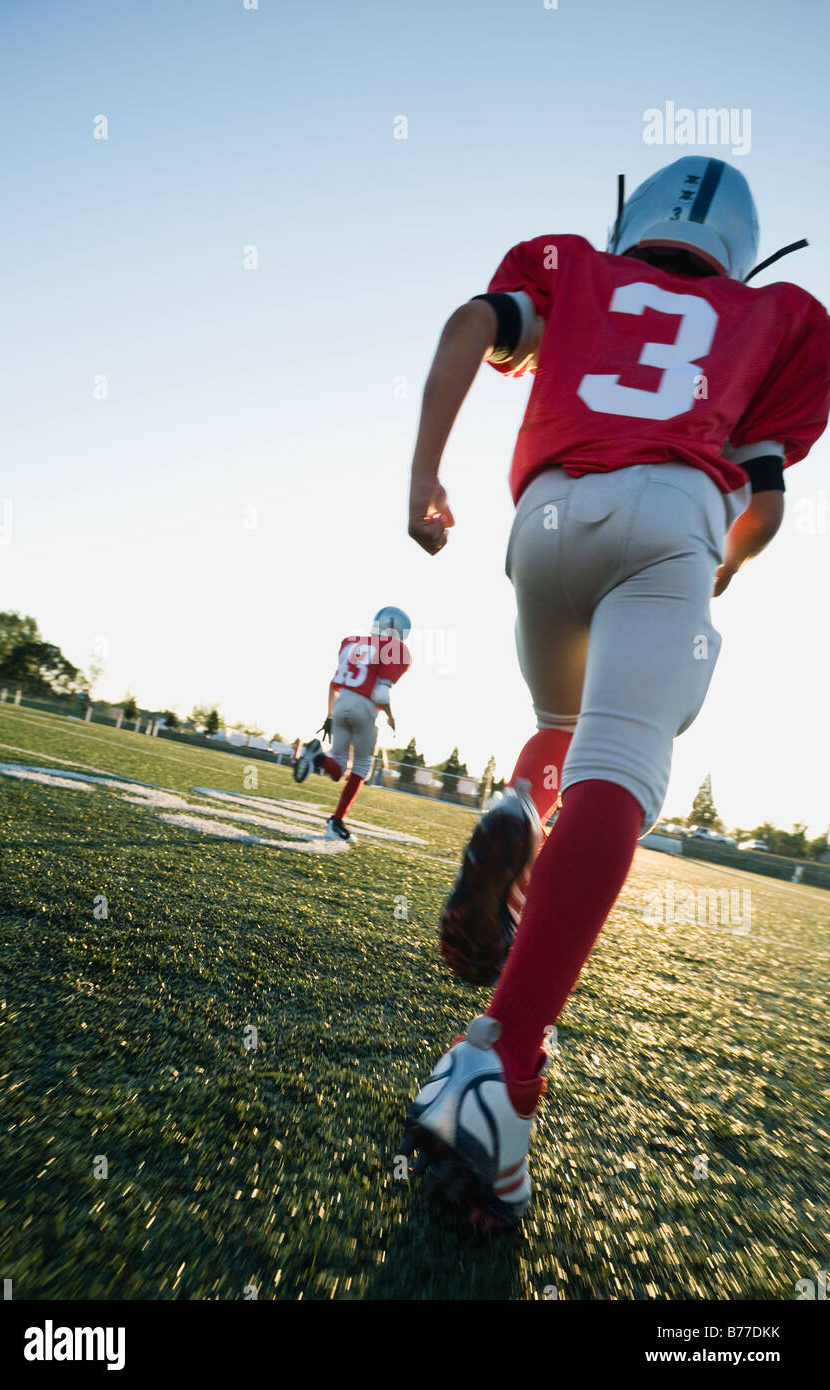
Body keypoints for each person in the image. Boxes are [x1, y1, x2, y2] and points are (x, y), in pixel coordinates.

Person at [400, 156, 830, 1224]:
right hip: (672, 506)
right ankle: (500, 1071)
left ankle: (513, 805)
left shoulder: (571, 267)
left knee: (561, 722)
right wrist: (717, 562)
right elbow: (763, 500)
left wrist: (423, 476)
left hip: (540, 521)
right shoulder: (780, 315)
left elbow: (468, 322)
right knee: (627, 757)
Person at [293, 607, 411, 841]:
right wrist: (391, 717)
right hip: (364, 706)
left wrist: (329, 716)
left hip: (341, 703)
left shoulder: (351, 642)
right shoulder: (396, 649)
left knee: (337, 769)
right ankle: (336, 822)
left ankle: (317, 757)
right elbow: (381, 695)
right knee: (361, 768)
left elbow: (333, 684)